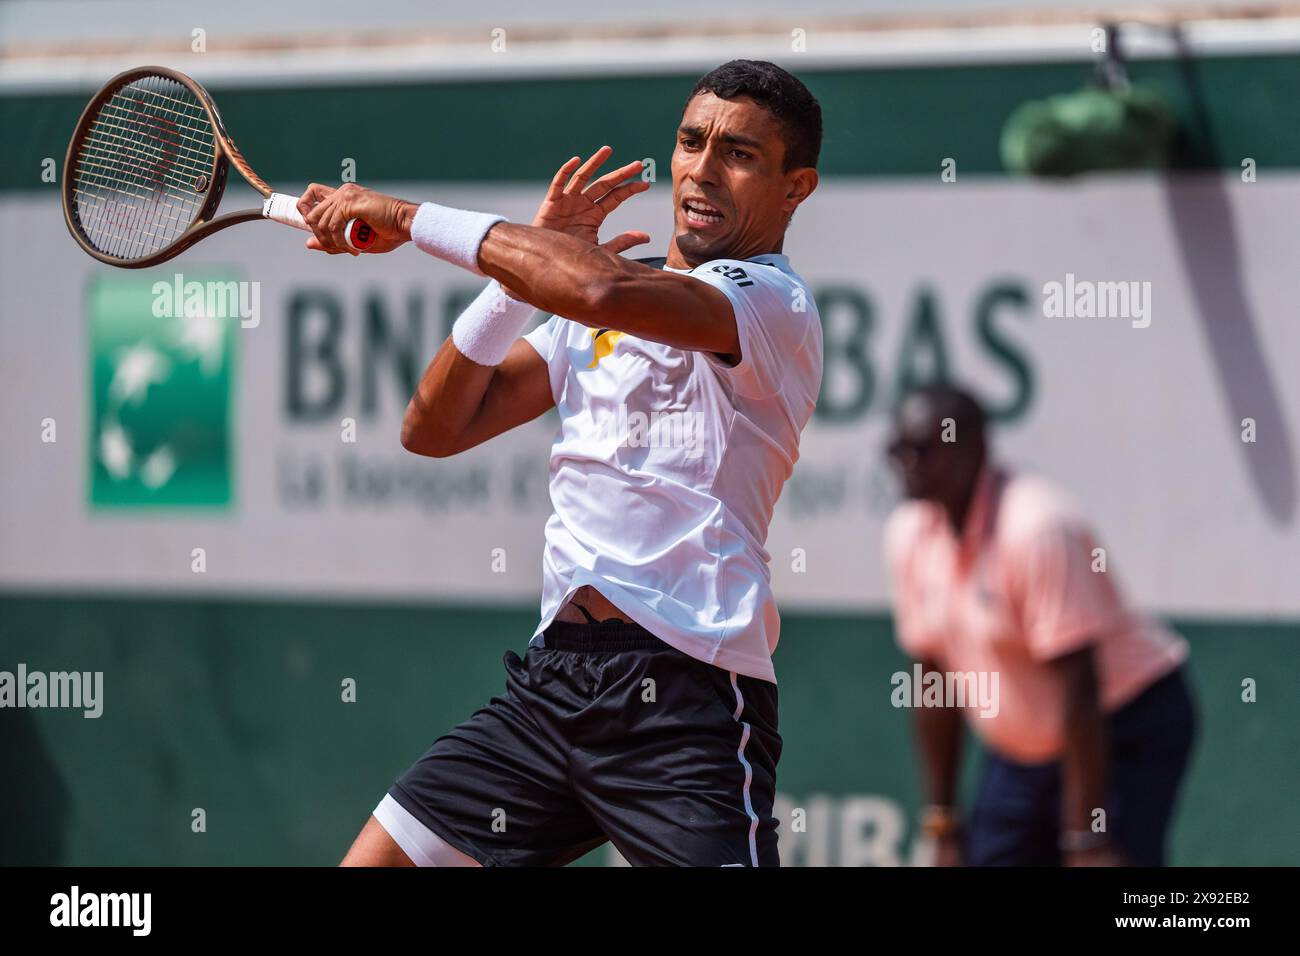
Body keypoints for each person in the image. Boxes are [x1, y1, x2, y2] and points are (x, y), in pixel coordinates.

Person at [297, 60, 823, 866]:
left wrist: (405, 217)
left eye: (740, 154)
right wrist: (518, 283)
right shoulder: (590, 301)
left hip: (686, 698)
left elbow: (601, 293)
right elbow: (432, 428)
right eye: (691, 143)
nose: (702, 169)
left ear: (796, 188)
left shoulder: (770, 304)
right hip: (550, 690)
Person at [883, 383, 1196, 866]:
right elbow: (934, 680)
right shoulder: (907, 533)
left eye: (923, 449)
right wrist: (943, 824)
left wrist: (1085, 839)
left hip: (1122, 725)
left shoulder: (1037, 528)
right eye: (896, 449)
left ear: (976, 450)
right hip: (1024, 747)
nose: (907, 462)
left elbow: (1080, 686)